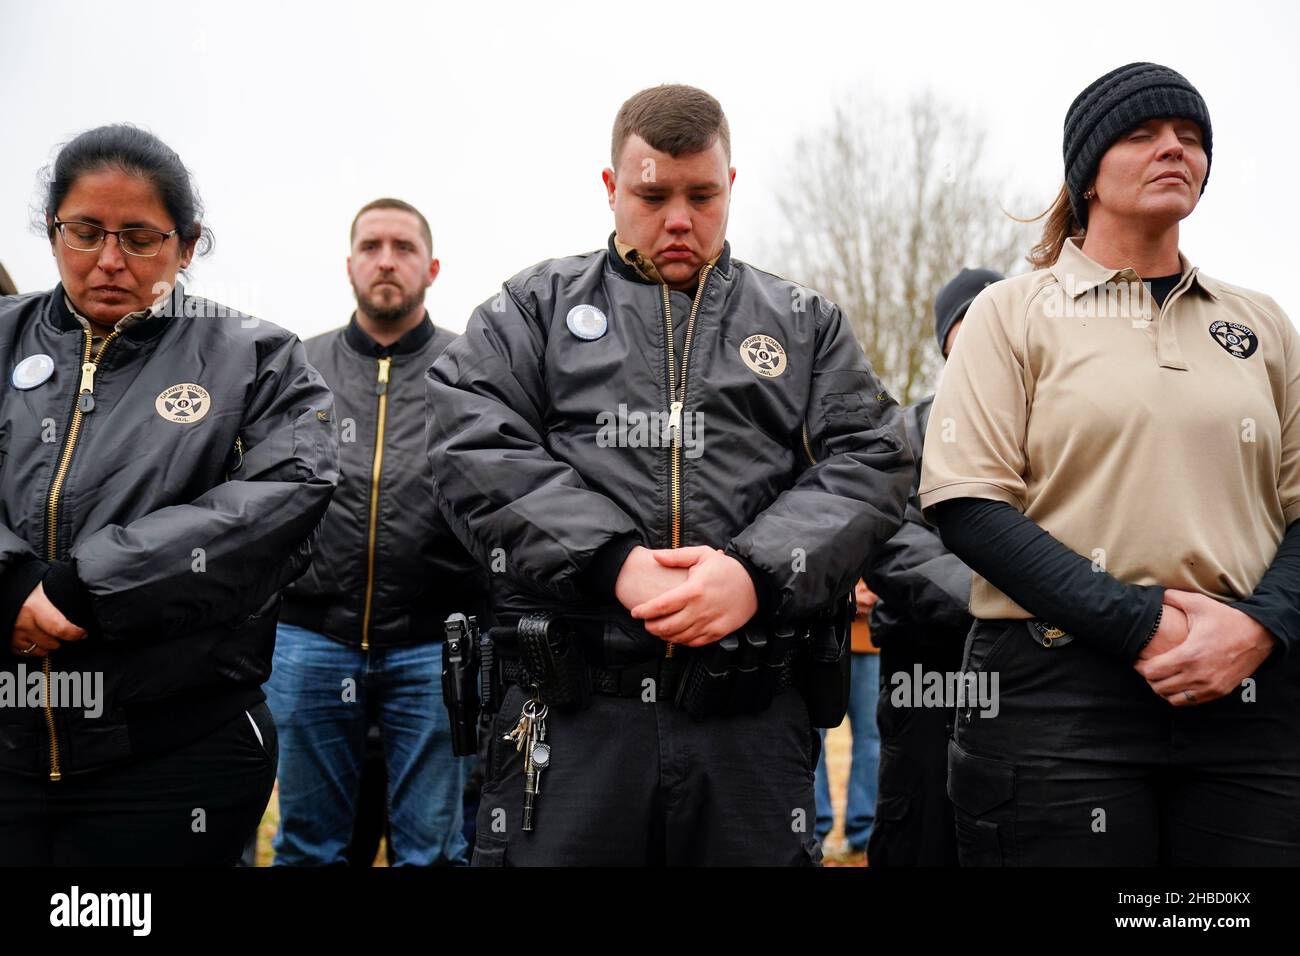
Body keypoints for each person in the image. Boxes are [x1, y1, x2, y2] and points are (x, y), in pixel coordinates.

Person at [426, 84, 913, 866]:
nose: (679, 218)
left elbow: (877, 459)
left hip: (749, 717)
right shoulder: (532, 310)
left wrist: (755, 573)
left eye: (702, 194)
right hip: (571, 715)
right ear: (612, 188)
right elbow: (466, 438)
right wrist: (613, 561)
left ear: (732, 186)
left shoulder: (802, 324)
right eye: (653, 194)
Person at [920, 63, 1300, 865]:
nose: (1176, 150)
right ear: (1088, 170)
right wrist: (1140, 624)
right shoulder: (1010, 314)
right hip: (1058, 698)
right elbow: (967, 506)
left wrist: (1262, 626)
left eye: (1192, 139)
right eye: (1144, 135)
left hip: (1247, 698)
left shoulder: (1262, 324)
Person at [0, 124, 338, 865]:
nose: (110, 260)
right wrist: (11, 576)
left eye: (141, 238)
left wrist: (88, 587)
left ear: (186, 246)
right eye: (85, 231)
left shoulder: (253, 355)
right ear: (52, 231)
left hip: (175, 752)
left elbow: (292, 489)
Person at [267, 198, 487, 866]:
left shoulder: (471, 369)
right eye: (371, 246)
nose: (386, 260)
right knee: (308, 847)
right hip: (310, 642)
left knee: (435, 851)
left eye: (403, 246)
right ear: (349, 264)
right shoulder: (299, 366)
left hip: (434, 645)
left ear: (432, 266)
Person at [861, 267, 993, 867]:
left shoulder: (1057, 427)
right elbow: (890, 536)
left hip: (1034, 674)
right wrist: (992, 603)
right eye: (968, 326)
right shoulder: (908, 433)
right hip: (927, 671)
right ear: (946, 343)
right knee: (920, 829)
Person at [812, 580, 880, 859]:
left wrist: (878, 591)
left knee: (870, 739)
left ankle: (863, 832)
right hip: (820, 639)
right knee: (813, 737)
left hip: (871, 642)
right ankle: (815, 829)